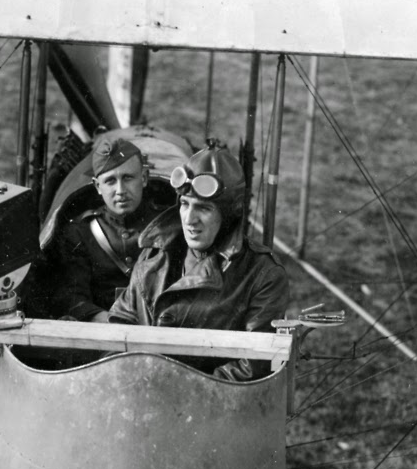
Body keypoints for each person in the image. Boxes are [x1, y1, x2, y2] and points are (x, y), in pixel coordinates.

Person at [108, 144, 290, 381]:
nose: (190, 219)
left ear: (229, 214)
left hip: (207, 407)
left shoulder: (262, 274)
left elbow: (253, 365)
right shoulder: (153, 254)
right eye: (184, 204)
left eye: (204, 208)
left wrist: (176, 388)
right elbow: (118, 326)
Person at [49, 137, 166, 322]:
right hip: (102, 332)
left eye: (128, 178)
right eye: (110, 181)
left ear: (144, 178)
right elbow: (72, 297)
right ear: (97, 186)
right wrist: (109, 321)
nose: (120, 190)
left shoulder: (167, 225)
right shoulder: (81, 232)